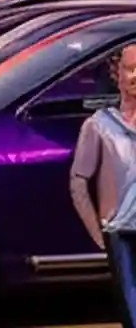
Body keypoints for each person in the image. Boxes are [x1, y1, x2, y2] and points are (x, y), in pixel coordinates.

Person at [71, 43, 136, 328]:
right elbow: (79, 180)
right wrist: (98, 232)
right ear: (117, 74)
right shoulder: (99, 126)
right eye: (130, 69)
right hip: (121, 232)